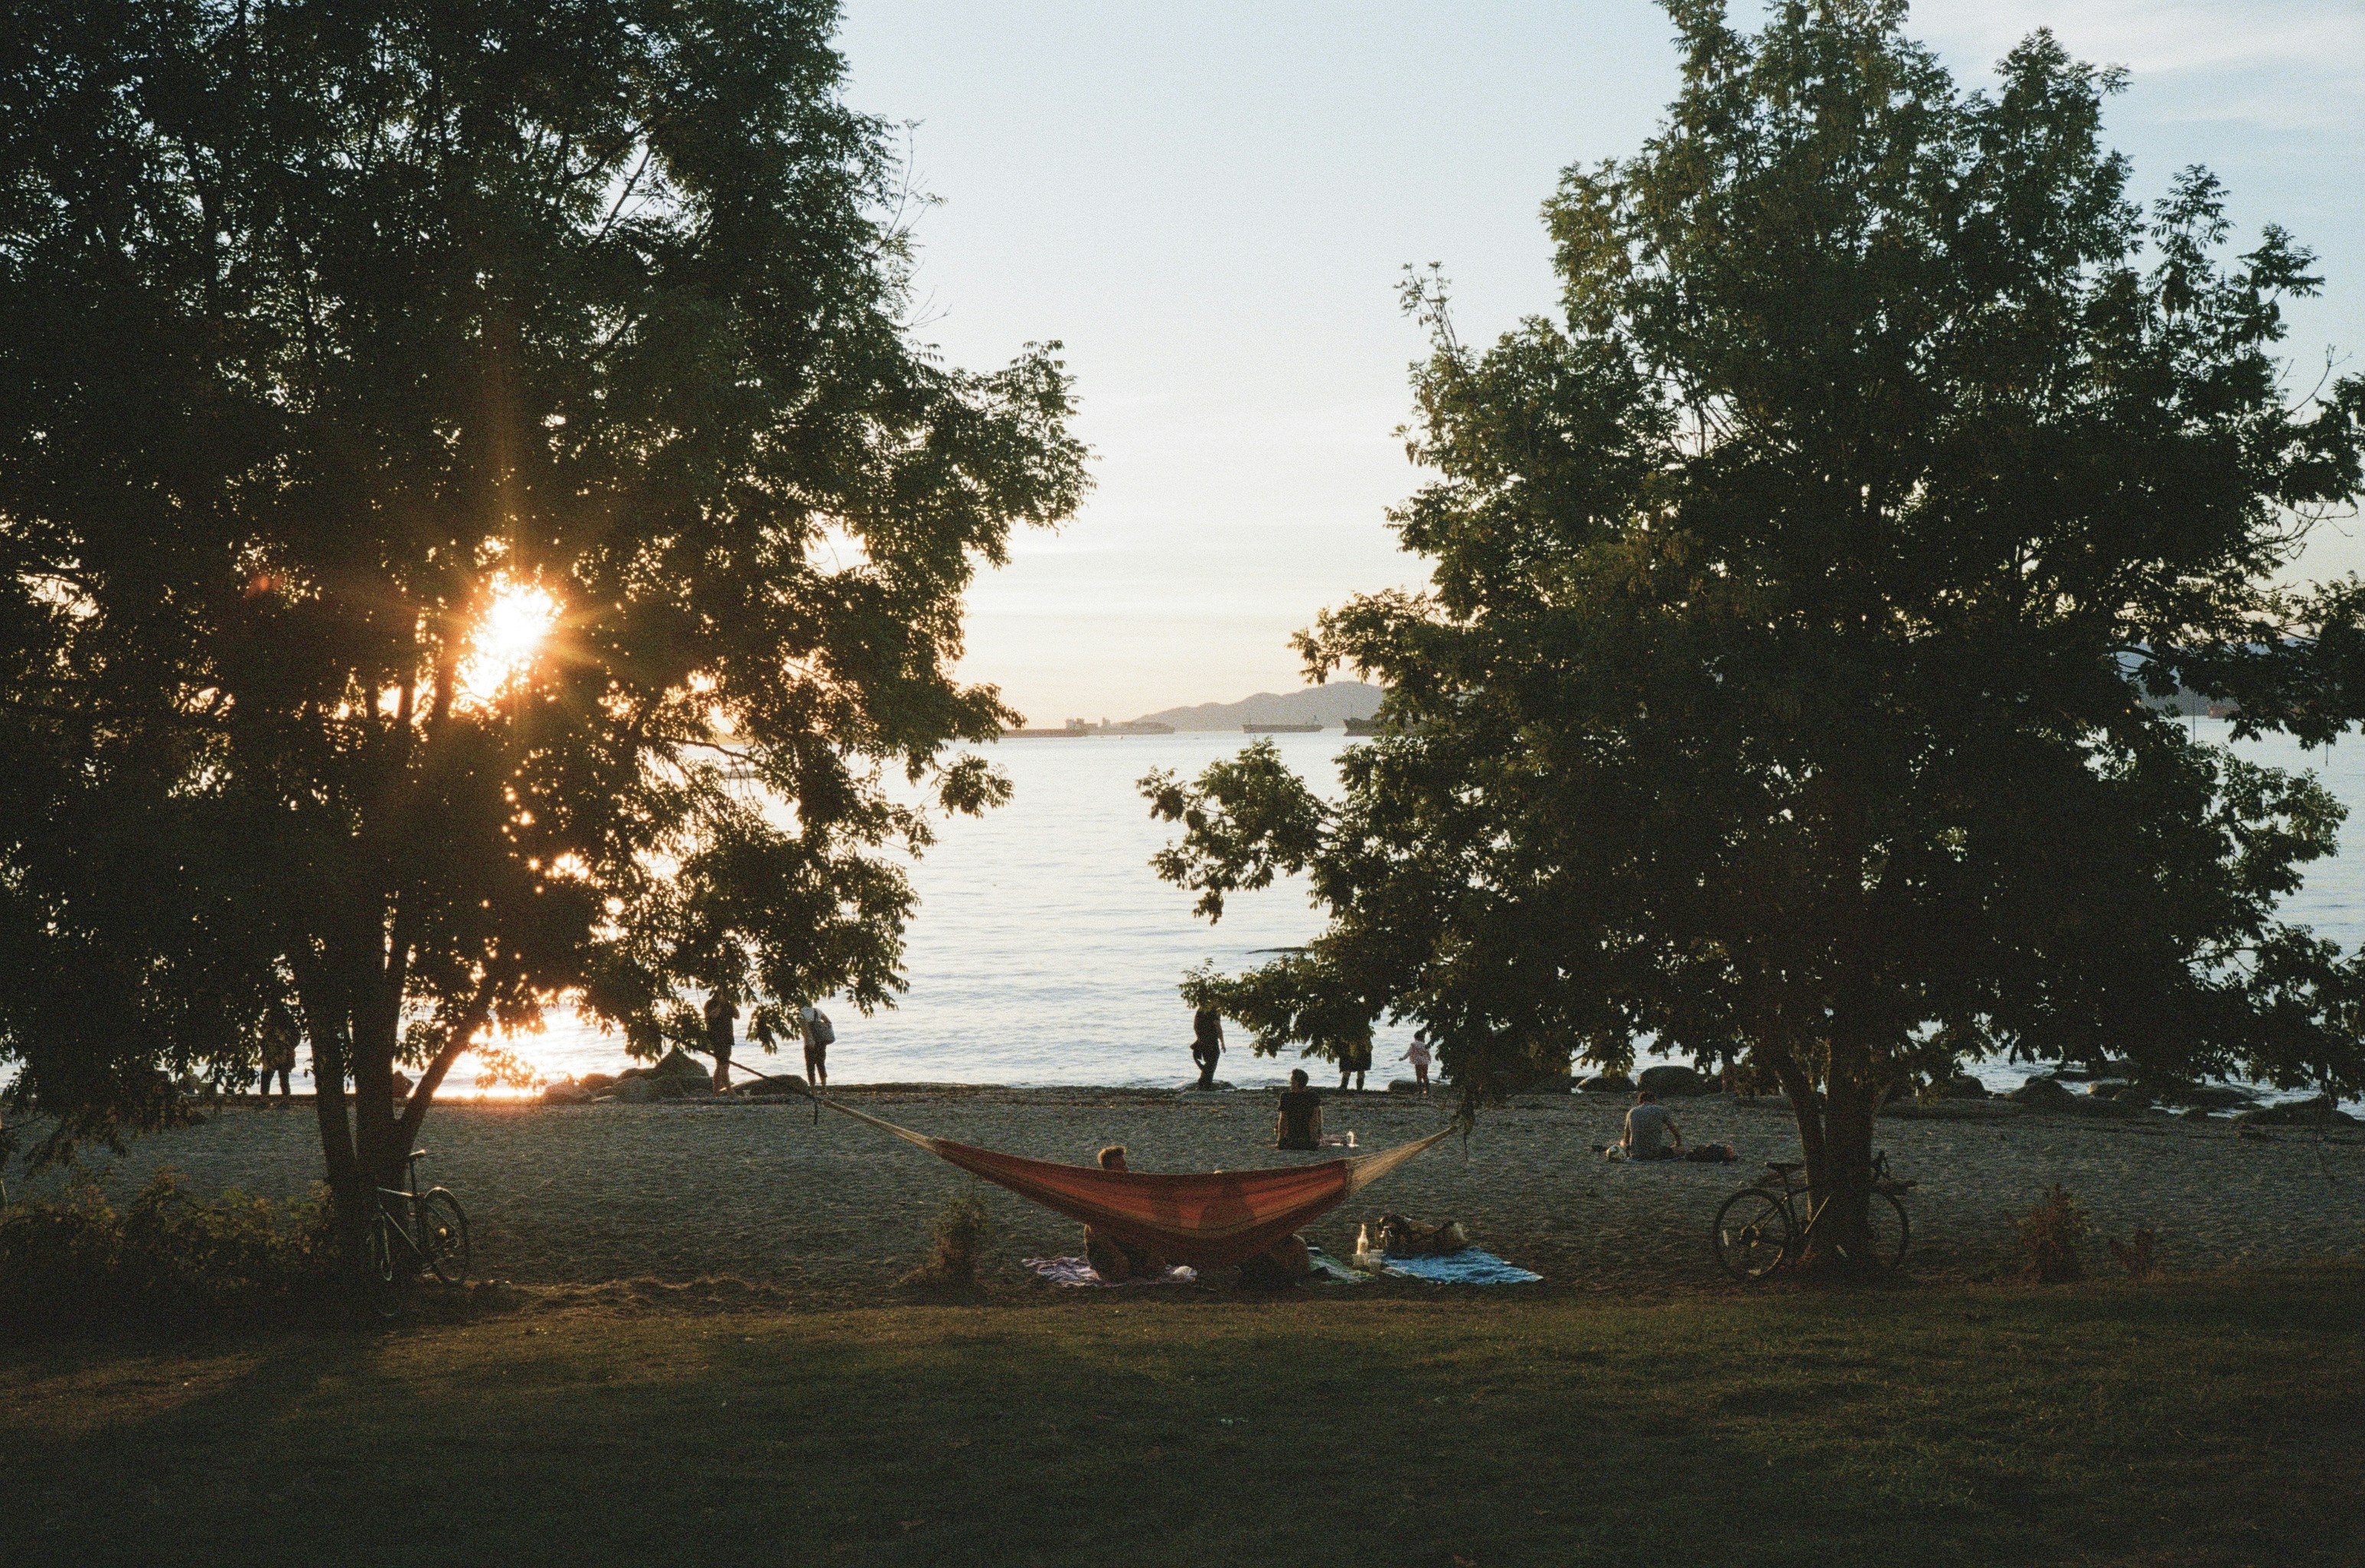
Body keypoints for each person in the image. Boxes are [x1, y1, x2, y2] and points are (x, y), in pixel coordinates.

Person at [1081, 1146, 1170, 1282]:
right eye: (1120, 1166)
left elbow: (1148, 1224)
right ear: (1108, 1171)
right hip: (1104, 1245)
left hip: (1128, 1241)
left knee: (1156, 1268)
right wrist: (1117, 1255)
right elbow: (1097, 1232)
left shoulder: (1132, 1192)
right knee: (1118, 1274)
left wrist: (1154, 1252)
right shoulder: (1099, 1195)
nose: (1126, 1170)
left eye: (1125, 1165)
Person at [1621, 1089, 1685, 1161]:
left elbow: (1626, 1137)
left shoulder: (1632, 1112)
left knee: (1622, 1142)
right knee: (1681, 1150)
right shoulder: (1660, 1110)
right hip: (1656, 1153)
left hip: (1636, 1154)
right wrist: (1677, 1144)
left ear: (1639, 1102)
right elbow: (1675, 1132)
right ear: (1654, 1101)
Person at [256, 1004, 299, 1106]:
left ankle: (268, 1099)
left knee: (272, 1074)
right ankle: (282, 1099)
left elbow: (263, 1031)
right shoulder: (284, 1017)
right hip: (277, 1050)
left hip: (279, 1050)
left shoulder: (274, 1017)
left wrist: (289, 1046)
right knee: (277, 1075)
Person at [1274, 1067, 1323, 1150]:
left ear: (1296, 1083)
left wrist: (1280, 1141)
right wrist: (1314, 1141)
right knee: (1318, 1110)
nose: (1290, 1082)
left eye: (1292, 1080)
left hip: (1291, 1139)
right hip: (1307, 1139)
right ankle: (1315, 1137)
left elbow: (1283, 1120)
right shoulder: (1313, 1096)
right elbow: (1314, 1121)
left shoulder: (1286, 1097)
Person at [703, 989, 736, 1093]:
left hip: (727, 1038)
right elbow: (711, 1017)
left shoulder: (728, 1005)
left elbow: (737, 1015)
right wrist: (720, 1006)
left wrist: (731, 1005)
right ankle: (730, 1091)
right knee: (724, 1065)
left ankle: (716, 1092)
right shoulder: (710, 1004)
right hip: (717, 1038)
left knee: (720, 1066)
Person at [1190, 1005, 1225, 1089]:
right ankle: (1204, 1083)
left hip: (1202, 1040)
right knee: (1212, 1061)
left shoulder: (1202, 1009)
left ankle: (1205, 1084)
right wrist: (1222, 1042)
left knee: (1209, 1062)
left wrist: (1199, 1037)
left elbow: (1196, 1024)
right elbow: (1217, 1025)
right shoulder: (1215, 1010)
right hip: (1211, 1040)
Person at [799, 1002, 833, 1089]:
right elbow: (828, 1021)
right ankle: (824, 1087)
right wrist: (820, 1027)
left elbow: (805, 1029)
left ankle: (813, 1088)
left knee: (810, 1066)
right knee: (821, 1064)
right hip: (821, 1042)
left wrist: (810, 1040)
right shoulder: (818, 1011)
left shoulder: (803, 1013)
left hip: (810, 1043)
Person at [1401, 1031, 1432, 1095]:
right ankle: (1428, 1090)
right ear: (1423, 1038)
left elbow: (1409, 1052)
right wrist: (1429, 1060)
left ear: (1416, 1038)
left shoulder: (1413, 1044)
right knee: (1425, 1075)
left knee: (1419, 1076)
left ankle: (1420, 1091)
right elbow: (1428, 1054)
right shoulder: (1425, 1045)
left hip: (1418, 1062)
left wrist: (1403, 1058)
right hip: (1425, 1061)